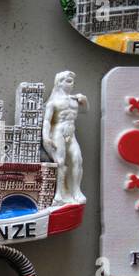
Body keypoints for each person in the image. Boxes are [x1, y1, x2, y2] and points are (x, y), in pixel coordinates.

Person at [42, 70, 88, 205]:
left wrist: (84, 101)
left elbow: (86, 111)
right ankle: (59, 193)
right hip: (58, 132)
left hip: (71, 133)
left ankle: (76, 191)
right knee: (60, 162)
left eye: (72, 81)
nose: (71, 84)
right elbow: (46, 121)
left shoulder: (75, 100)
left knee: (77, 159)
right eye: (68, 81)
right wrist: (46, 137)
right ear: (59, 82)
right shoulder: (53, 102)